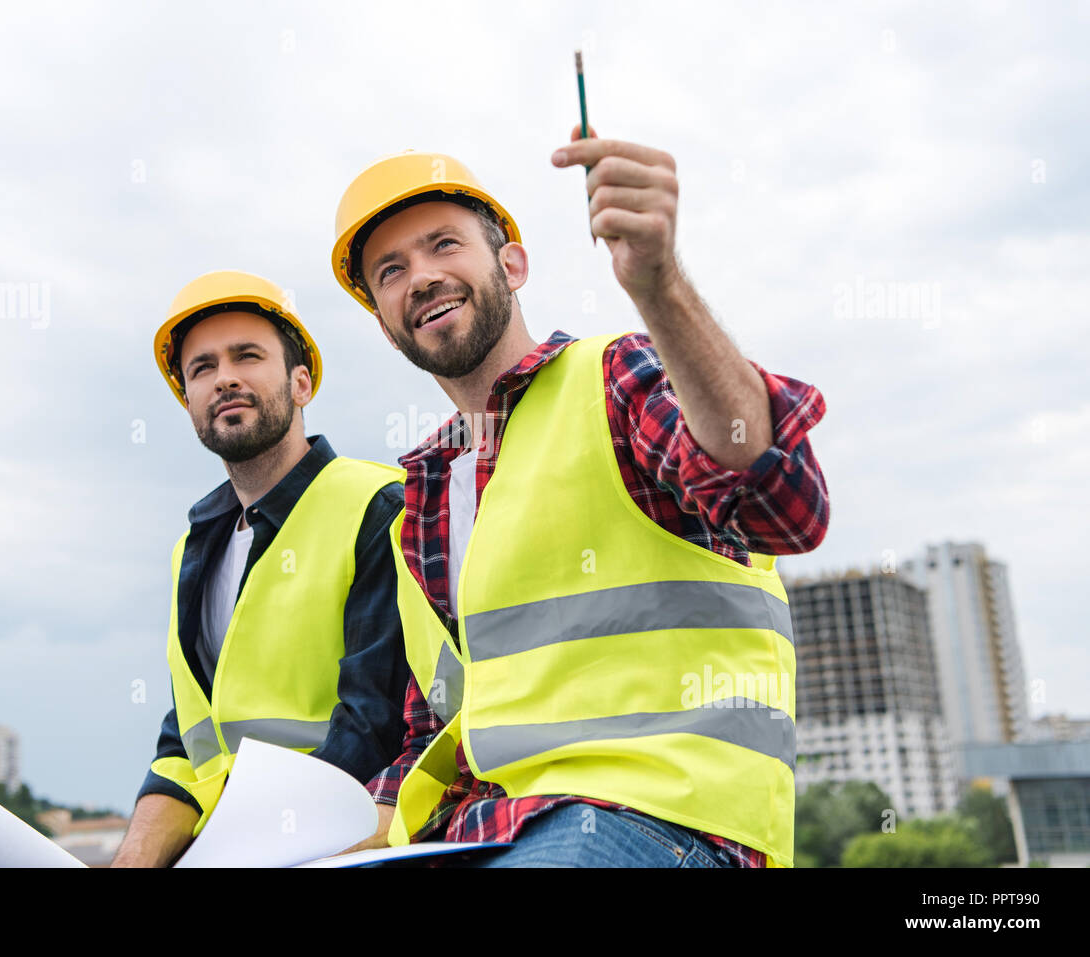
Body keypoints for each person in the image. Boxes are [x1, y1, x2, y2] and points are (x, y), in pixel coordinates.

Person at [329, 132, 830, 867]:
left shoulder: (614, 379)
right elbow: (439, 728)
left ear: (512, 264)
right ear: (382, 319)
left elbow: (784, 502)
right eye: (392, 270)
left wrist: (661, 289)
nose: (423, 277)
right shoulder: (421, 503)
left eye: (444, 245)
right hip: (492, 830)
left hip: (666, 819)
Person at [111, 270, 410, 867]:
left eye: (247, 356)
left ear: (301, 383)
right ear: (189, 402)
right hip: (238, 845)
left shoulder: (376, 505)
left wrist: (243, 849)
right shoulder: (192, 550)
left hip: (337, 842)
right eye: (202, 369)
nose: (225, 378)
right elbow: (186, 743)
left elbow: (374, 726)